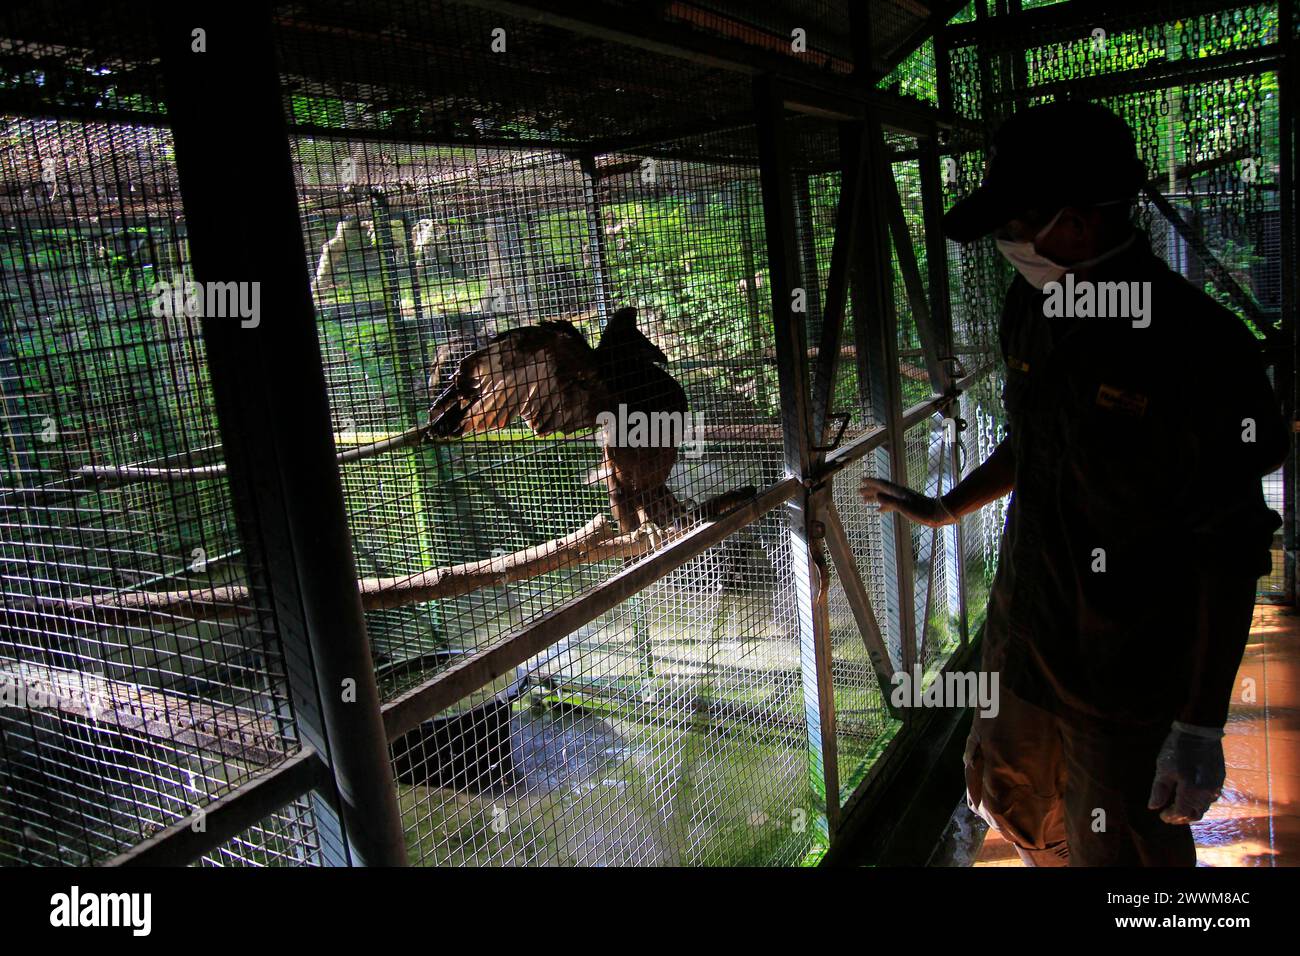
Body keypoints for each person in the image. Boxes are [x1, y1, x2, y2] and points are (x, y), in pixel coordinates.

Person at [861, 100, 1288, 866]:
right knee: (1019, 810)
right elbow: (1035, 440)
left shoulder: (1195, 348)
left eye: (1018, 221)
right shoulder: (1033, 305)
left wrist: (1198, 724)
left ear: (1081, 219)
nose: (1007, 242)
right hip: (1026, 636)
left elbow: (1231, 547)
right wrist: (947, 507)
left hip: (1123, 672)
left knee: (1123, 849)